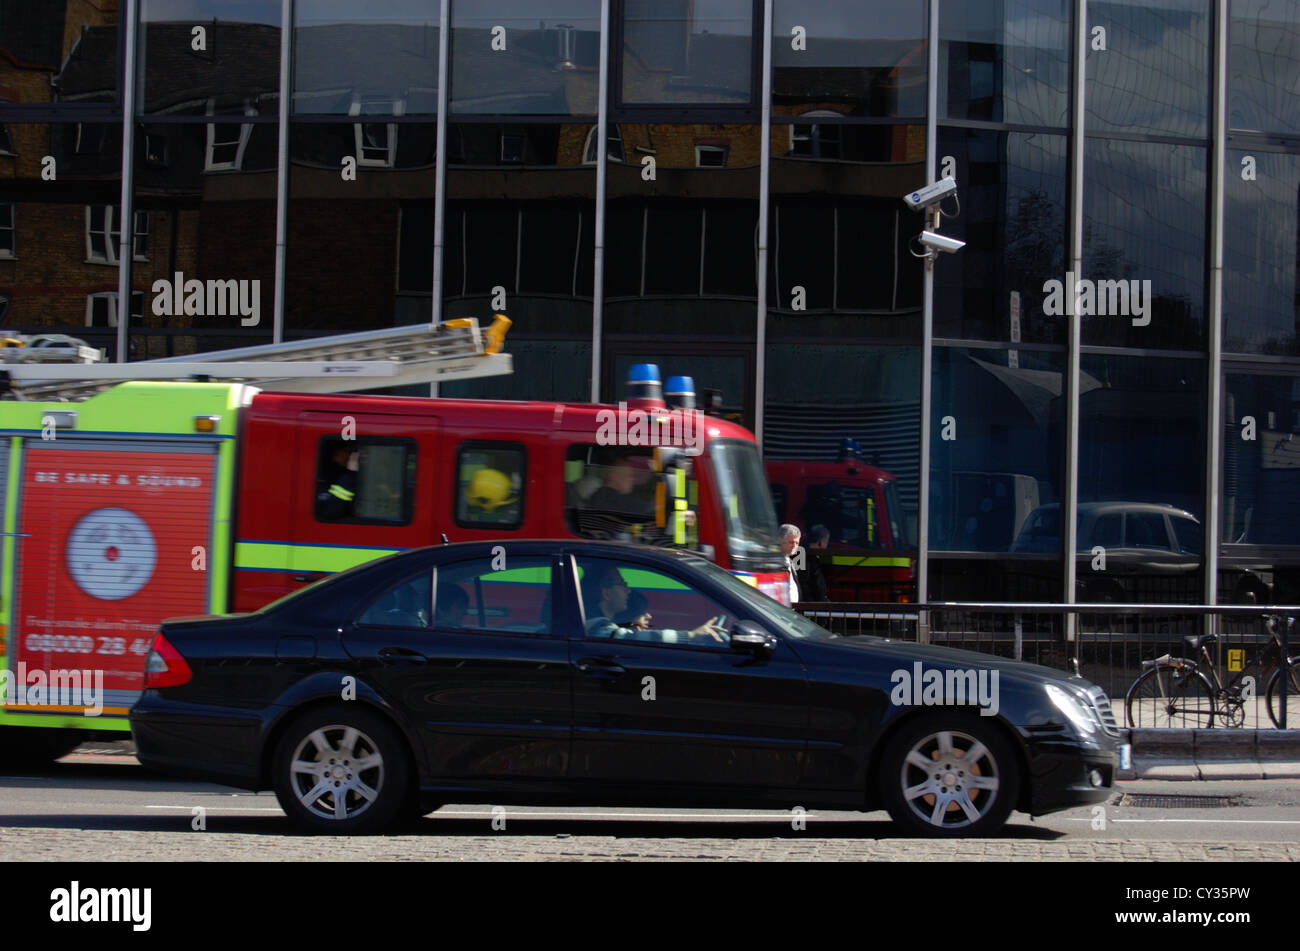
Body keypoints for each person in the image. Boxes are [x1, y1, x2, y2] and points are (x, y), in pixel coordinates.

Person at [582, 564, 725, 644]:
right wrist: (691, 635)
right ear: (606, 593)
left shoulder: (599, 623)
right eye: (622, 584)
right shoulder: (596, 627)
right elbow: (630, 639)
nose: (628, 590)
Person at [579, 451, 655, 539]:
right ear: (613, 476)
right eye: (630, 475)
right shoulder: (607, 498)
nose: (633, 480)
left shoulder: (601, 495)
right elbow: (646, 510)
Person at [316, 442, 359, 520]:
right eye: (347, 451)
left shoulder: (319, 473)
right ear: (336, 453)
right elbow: (332, 511)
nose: (350, 455)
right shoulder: (347, 478)